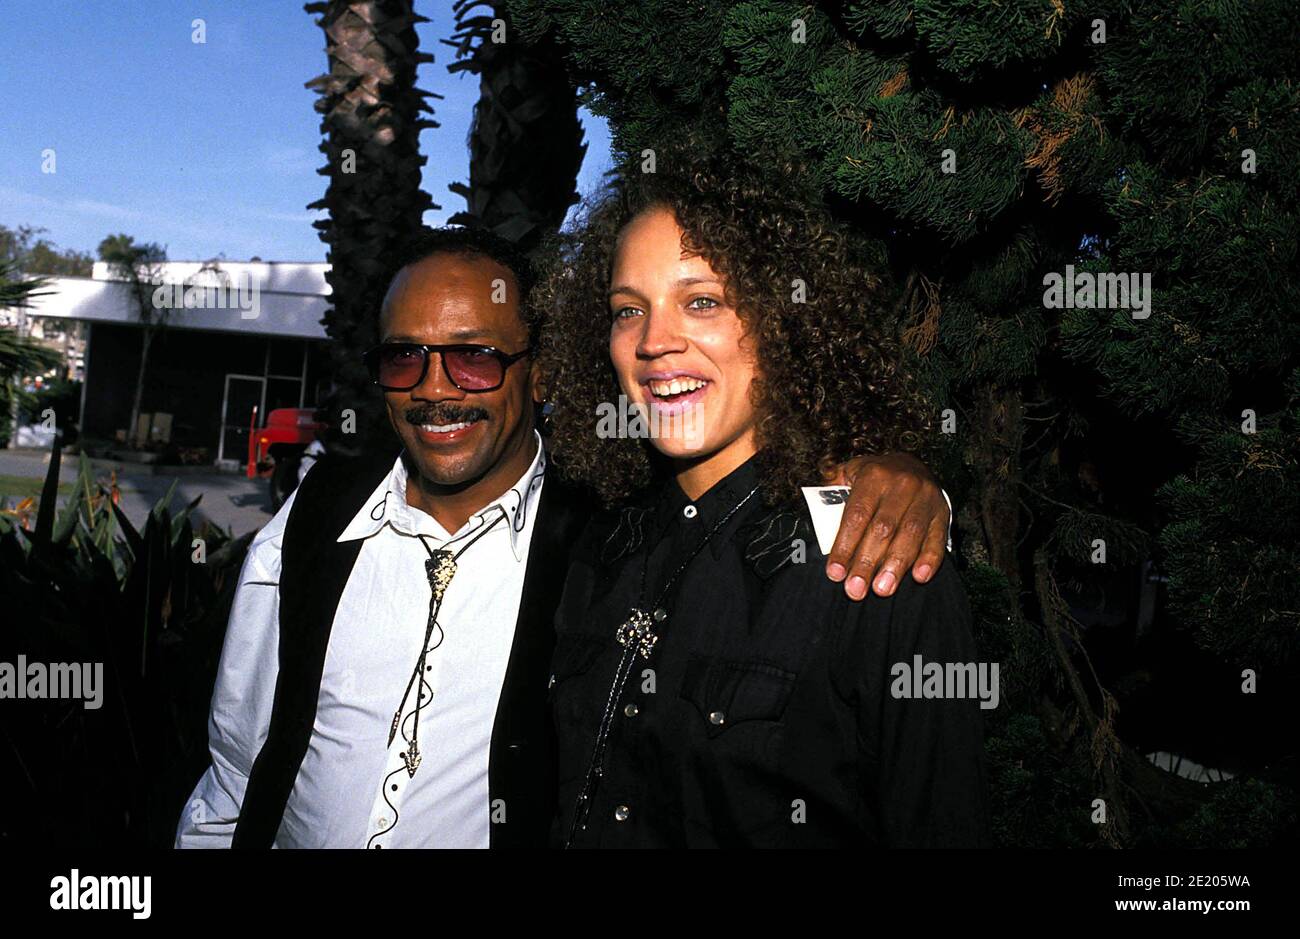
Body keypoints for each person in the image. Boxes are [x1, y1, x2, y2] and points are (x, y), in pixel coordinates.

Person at [176, 226, 952, 849]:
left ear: (541, 374)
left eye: (476, 357)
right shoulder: (313, 522)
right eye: (404, 356)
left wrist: (906, 480)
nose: (435, 386)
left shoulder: (588, 536)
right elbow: (233, 773)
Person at [538, 147, 993, 847]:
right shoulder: (599, 548)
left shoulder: (877, 558)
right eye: (628, 311)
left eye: (702, 301)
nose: (655, 341)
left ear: (784, 321)